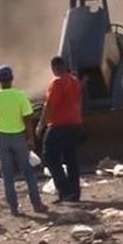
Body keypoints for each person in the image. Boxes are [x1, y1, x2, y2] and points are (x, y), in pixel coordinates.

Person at [0, 65, 45, 215]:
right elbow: (27, 119)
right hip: (18, 137)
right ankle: (36, 205)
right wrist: (30, 138)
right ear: (12, 79)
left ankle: (13, 208)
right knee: (28, 172)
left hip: (1, 137)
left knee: (7, 174)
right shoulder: (20, 95)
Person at [37, 56, 83, 203]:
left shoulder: (57, 82)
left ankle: (65, 191)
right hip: (75, 124)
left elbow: (49, 105)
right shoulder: (74, 80)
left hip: (59, 125)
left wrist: (41, 124)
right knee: (71, 159)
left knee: (50, 157)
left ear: (54, 68)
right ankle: (74, 193)